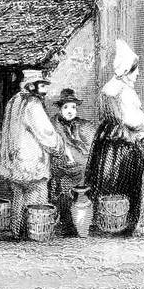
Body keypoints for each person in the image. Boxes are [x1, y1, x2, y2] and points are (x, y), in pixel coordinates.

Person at [0, 69, 72, 237]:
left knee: (19, 196)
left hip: (16, 159)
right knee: (36, 198)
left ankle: (17, 231)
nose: (45, 89)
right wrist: (60, 146)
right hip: (31, 160)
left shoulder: (14, 100)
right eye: (42, 85)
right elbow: (45, 132)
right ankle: (33, 234)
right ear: (31, 86)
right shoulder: (32, 104)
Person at [86, 39, 144, 222]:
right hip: (122, 142)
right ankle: (123, 220)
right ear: (126, 71)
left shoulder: (108, 89)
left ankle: (106, 218)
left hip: (105, 139)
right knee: (123, 179)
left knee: (104, 176)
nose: (138, 73)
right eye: (135, 70)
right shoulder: (124, 91)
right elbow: (133, 120)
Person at [49, 88, 95, 227]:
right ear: (60, 109)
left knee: (89, 166)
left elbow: (87, 142)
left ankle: (81, 214)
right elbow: (59, 146)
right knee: (77, 170)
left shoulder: (79, 124)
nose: (70, 111)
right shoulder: (54, 125)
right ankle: (67, 215)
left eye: (73, 107)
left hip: (76, 159)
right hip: (59, 160)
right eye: (66, 107)